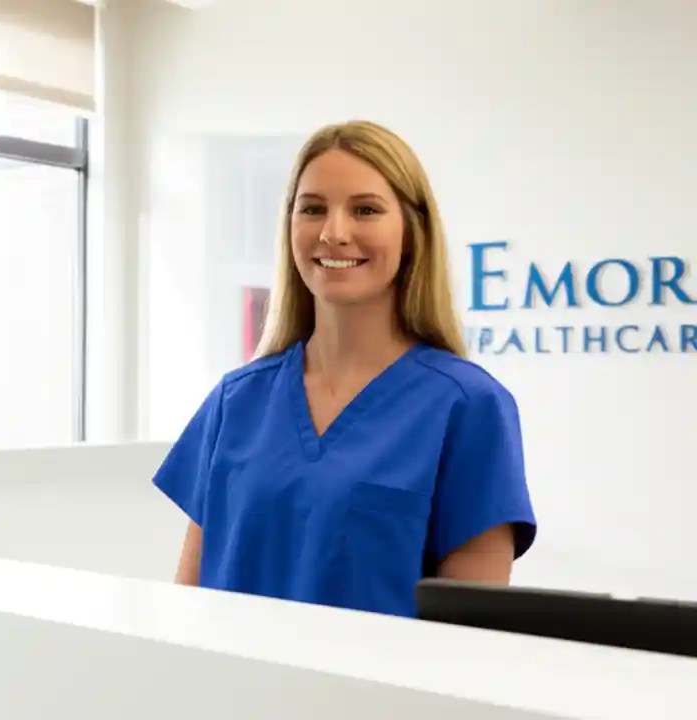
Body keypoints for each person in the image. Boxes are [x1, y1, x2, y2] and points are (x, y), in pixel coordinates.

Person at [152, 120, 537, 618]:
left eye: (366, 210)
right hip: (230, 693)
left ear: (412, 232)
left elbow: (472, 642)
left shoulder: (468, 407)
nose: (334, 232)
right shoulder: (235, 402)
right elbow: (188, 604)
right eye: (312, 209)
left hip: (376, 697)